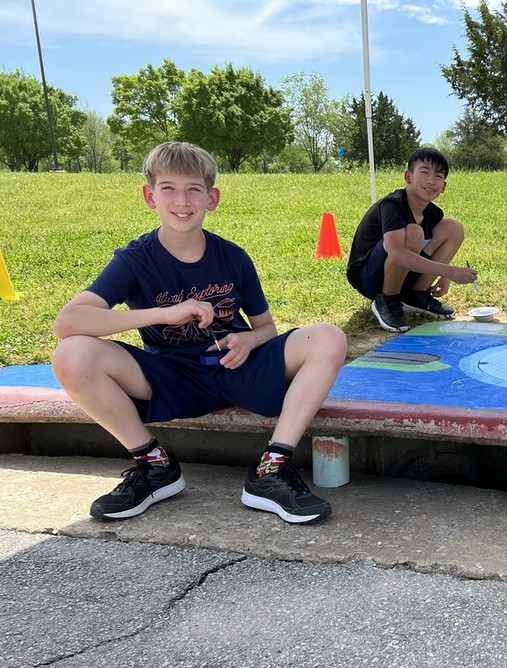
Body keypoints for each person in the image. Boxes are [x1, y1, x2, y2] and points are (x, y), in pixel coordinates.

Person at [52, 141, 347, 524]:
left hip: (237, 367)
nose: (182, 200)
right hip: (171, 375)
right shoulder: (135, 258)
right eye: (168, 188)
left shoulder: (232, 257)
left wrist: (247, 340)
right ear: (149, 196)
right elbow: (68, 322)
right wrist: (163, 313)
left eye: (194, 189)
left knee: (329, 336)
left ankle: (270, 469)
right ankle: (155, 465)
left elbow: (266, 328)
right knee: (71, 355)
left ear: (212, 198)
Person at [347, 147, 477, 332]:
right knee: (414, 233)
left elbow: (430, 249)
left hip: (404, 273)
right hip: (368, 277)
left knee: (453, 227)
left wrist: (444, 274)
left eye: (439, 176)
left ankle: (416, 295)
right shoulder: (392, 205)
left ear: (444, 187)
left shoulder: (433, 212)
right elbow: (397, 254)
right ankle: (387, 299)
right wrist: (448, 272)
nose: (431, 181)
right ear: (408, 177)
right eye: (424, 172)